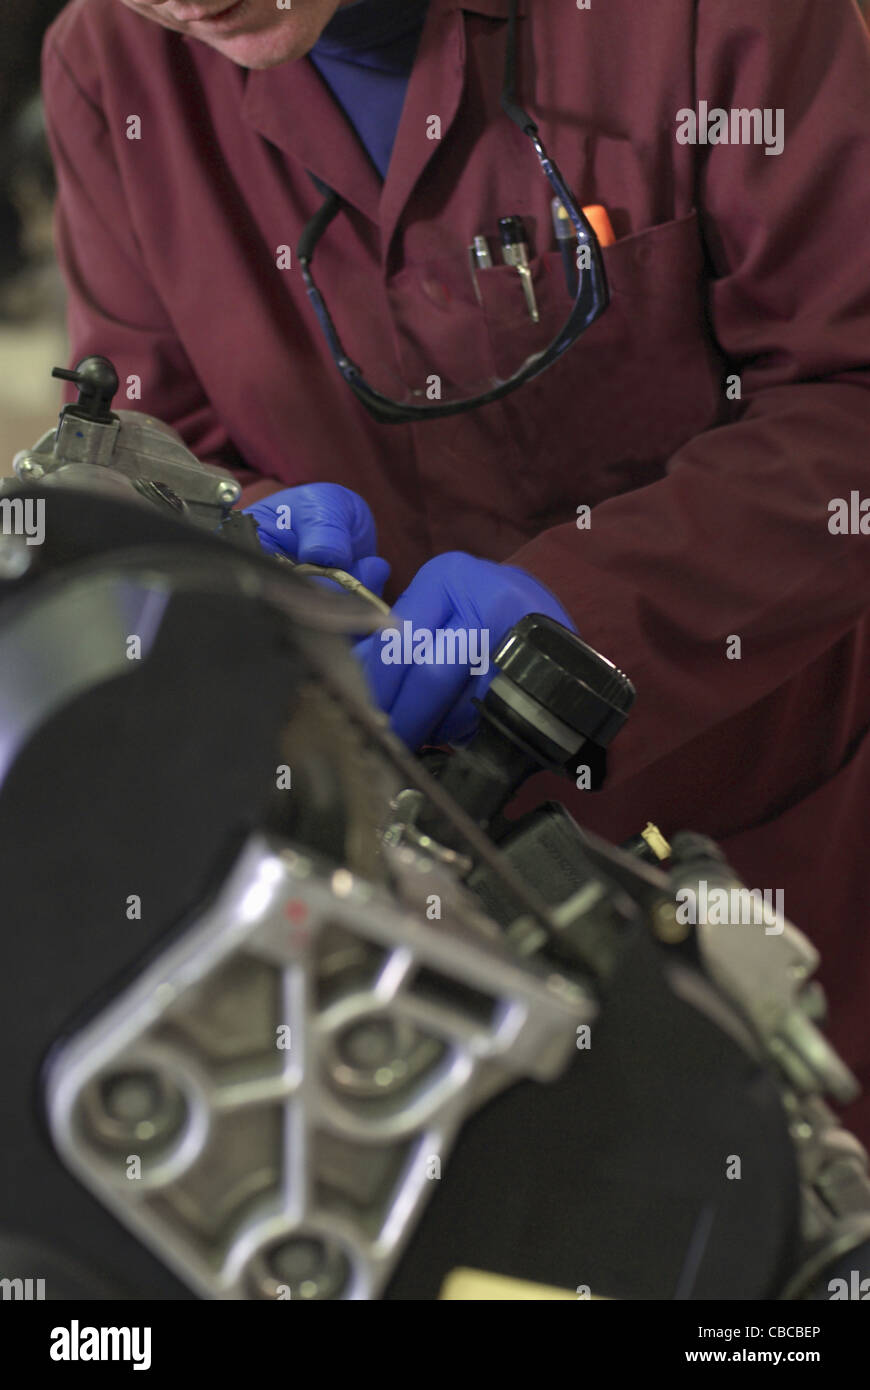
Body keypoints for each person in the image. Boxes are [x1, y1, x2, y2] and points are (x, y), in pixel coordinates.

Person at [42, 0, 870, 1143]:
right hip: (404, 903)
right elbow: (159, 447)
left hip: (765, 836)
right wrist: (249, 544)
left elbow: (849, 398)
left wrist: (581, 618)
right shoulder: (110, 69)